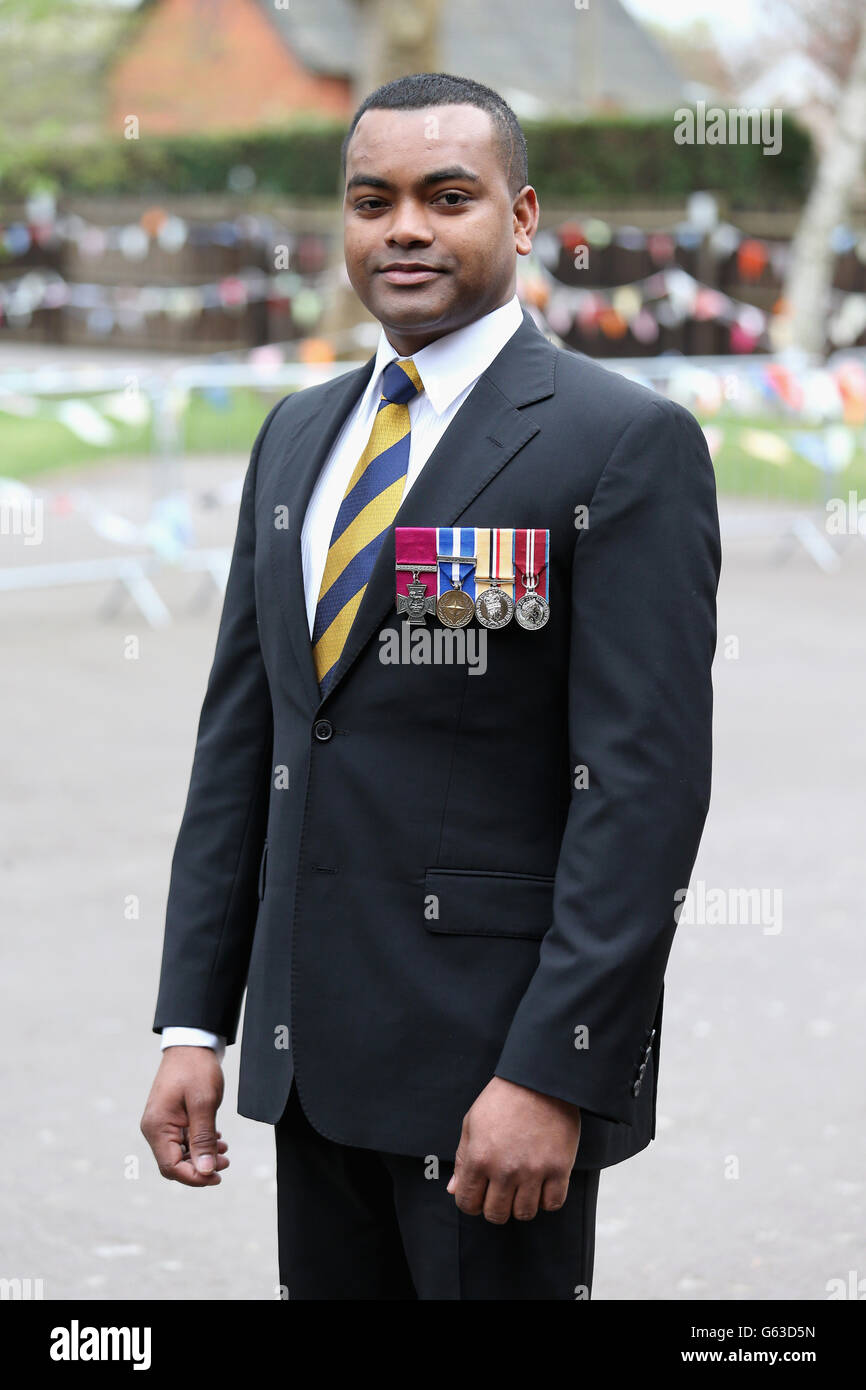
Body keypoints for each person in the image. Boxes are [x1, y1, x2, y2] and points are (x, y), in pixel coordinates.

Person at [141, 71, 721, 1301]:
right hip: (313, 1073)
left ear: (518, 218)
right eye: (372, 198)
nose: (402, 226)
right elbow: (247, 743)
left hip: (490, 1091)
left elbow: (641, 792)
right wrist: (195, 1022)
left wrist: (555, 1072)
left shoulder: (615, 442)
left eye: (444, 195)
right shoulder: (297, 436)